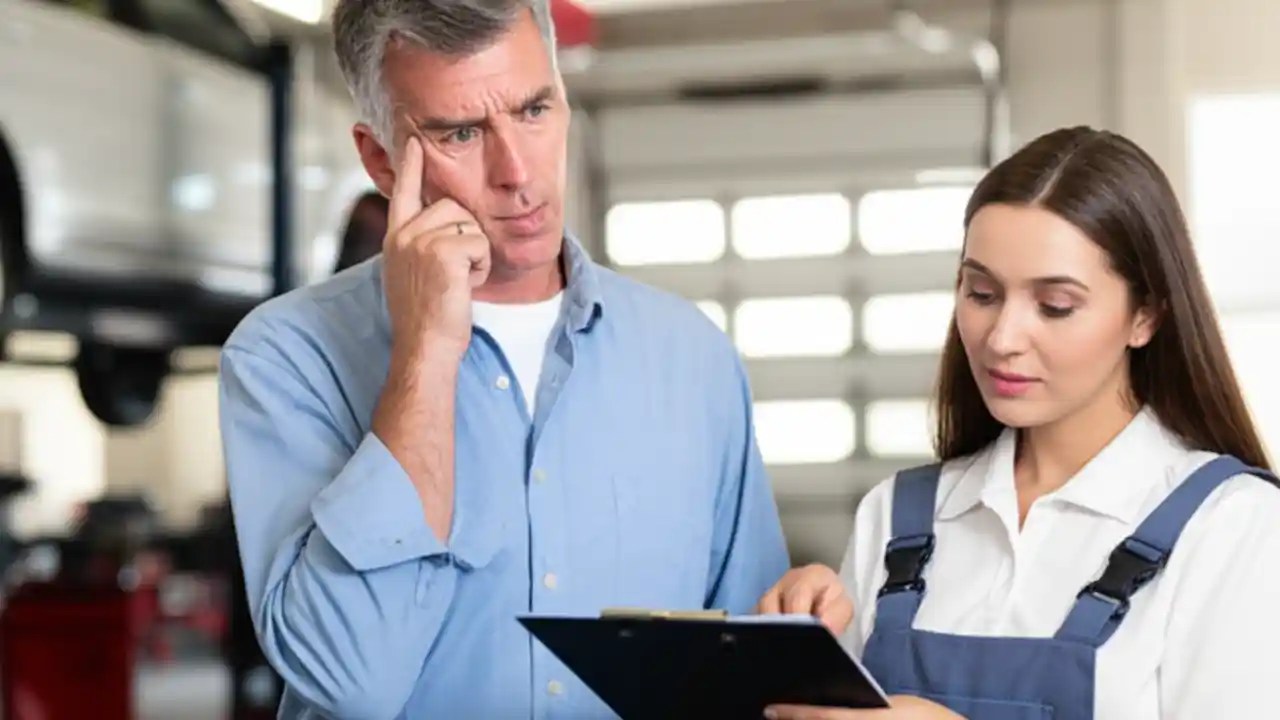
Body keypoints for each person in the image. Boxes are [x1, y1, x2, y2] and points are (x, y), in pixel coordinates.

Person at [217, 1, 789, 718]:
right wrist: (424, 354)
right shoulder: (286, 359)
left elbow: (748, 679)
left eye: (533, 108)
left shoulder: (692, 358)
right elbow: (350, 683)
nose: (517, 171)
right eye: (461, 132)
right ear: (381, 161)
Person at [757, 126, 1280, 720]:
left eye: (1055, 306)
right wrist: (789, 655)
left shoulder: (1232, 528)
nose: (1002, 339)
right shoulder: (895, 516)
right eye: (981, 293)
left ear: (1146, 315)